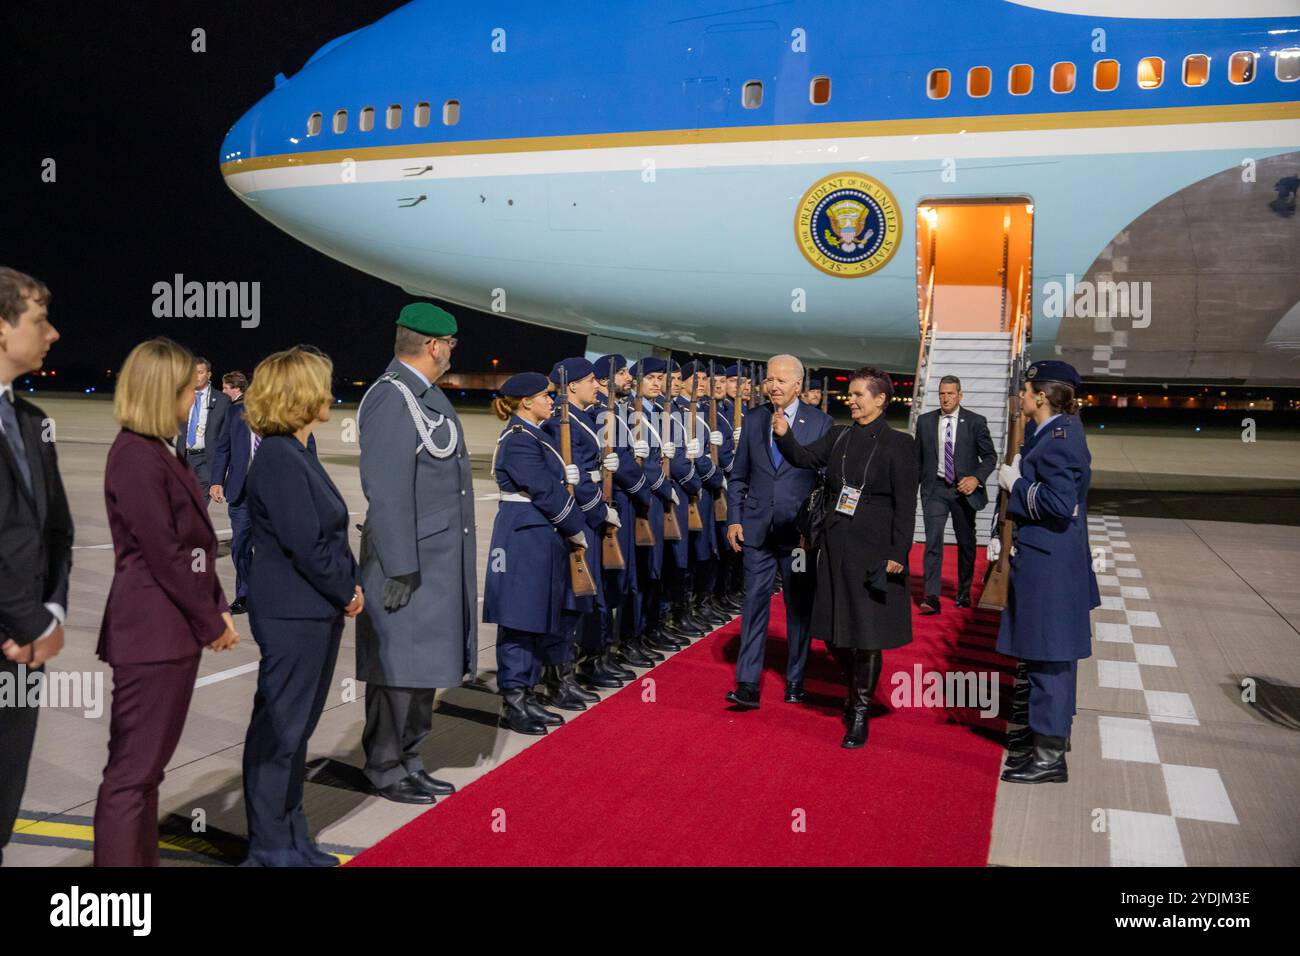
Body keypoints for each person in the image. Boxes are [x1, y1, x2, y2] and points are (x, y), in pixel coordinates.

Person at [95, 338, 239, 866]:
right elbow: (165, 552)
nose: (194, 397)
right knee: (130, 778)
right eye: (186, 388)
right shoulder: (135, 455)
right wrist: (211, 621)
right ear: (164, 392)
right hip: (151, 635)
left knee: (146, 775)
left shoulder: (159, 449)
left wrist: (217, 603)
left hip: (169, 634)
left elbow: (194, 543)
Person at [241, 345, 363, 866]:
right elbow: (305, 542)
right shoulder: (278, 457)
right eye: (322, 384)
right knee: (280, 731)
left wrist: (345, 586)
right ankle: (269, 846)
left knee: (297, 731)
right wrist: (346, 589)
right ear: (300, 395)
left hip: (313, 610)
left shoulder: (296, 451)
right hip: (294, 613)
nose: (330, 393)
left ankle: (292, 836)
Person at [355, 304, 476, 804]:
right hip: (406, 565)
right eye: (451, 344)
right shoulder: (392, 397)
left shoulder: (424, 395)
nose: (451, 352)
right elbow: (385, 492)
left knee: (424, 667)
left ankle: (410, 759)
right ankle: (385, 767)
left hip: (434, 561)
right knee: (399, 670)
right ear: (433, 346)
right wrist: (401, 567)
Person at [773, 367, 919, 748]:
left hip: (875, 551)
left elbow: (906, 506)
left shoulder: (900, 445)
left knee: (867, 635)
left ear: (880, 400)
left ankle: (858, 711)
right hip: (835, 546)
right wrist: (785, 436)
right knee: (833, 632)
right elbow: (805, 458)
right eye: (849, 394)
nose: (850, 401)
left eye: (858, 395)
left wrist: (898, 552)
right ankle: (856, 686)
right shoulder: (839, 436)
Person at [994, 360, 1099, 784]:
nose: (1021, 395)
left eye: (1026, 389)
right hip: (1047, 558)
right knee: (1045, 657)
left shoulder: (1060, 439)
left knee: (1050, 660)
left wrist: (1016, 484)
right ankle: (1047, 739)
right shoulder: (1053, 432)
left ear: (1041, 396)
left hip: (1050, 566)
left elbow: (1059, 504)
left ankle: (1049, 757)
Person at [0, 268, 73, 867]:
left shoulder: (30, 422)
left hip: (23, 653)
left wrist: (50, 614)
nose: (52, 334)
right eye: (39, 320)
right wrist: (29, 623)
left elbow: (58, 533)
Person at [484, 372, 593, 735]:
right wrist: (575, 526)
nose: (552, 401)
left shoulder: (535, 434)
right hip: (524, 536)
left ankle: (528, 693)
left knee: (537, 617)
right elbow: (545, 490)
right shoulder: (519, 439)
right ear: (526, 402)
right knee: (519, 621)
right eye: (546, 396)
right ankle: (514, 701)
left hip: (539, 534)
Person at [724, 354, 831, 708]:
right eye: (770, 379)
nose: (773, 386)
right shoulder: (755, 419)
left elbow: (824, 481)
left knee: (798, 607)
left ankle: (796, 680)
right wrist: (735, 519)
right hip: (757, 533)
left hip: (798, 538)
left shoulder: (820, 423)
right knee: (754, 602)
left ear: (798, 385)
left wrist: (816, 529)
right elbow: (738, 476)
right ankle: (747, 684)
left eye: (781, 380)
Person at [542, 357, 626, 699]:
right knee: (572, 597)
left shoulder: (586, 417)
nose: (597, 385)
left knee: (593, 594)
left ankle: (588, 662)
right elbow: (573, 475)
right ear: (572, 385)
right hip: (578, 517)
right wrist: (600, 512)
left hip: (590, 512)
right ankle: (559, 676)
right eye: (591, 380)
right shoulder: (561, 422)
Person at [915, 375, 997, 613]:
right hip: (935, 489)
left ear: (960, 395)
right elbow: (917, 459)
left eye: (950, 393)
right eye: (942, 393)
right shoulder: (925, 422)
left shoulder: (975, 422)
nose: (946, 398)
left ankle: (963, 592)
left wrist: (976, 479)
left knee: (966, 543)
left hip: (963, 491)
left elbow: (990, 457)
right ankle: (932, 597)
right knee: (933, 541)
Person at [209, 371, 253, 613]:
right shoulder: (235, 412)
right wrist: (217, 480)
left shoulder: (280, 412)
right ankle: (245, 595)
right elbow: (223, 448)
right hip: (240, 490)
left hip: (271, 492)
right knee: (239, 546)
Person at [178, 356, 229, 500]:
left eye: (200, 372)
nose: (196, 377)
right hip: (184, 457)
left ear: (209, 374)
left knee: (198, 506)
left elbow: (226, 436)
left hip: (206, 461)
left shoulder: (222, 400)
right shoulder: (181, 397)